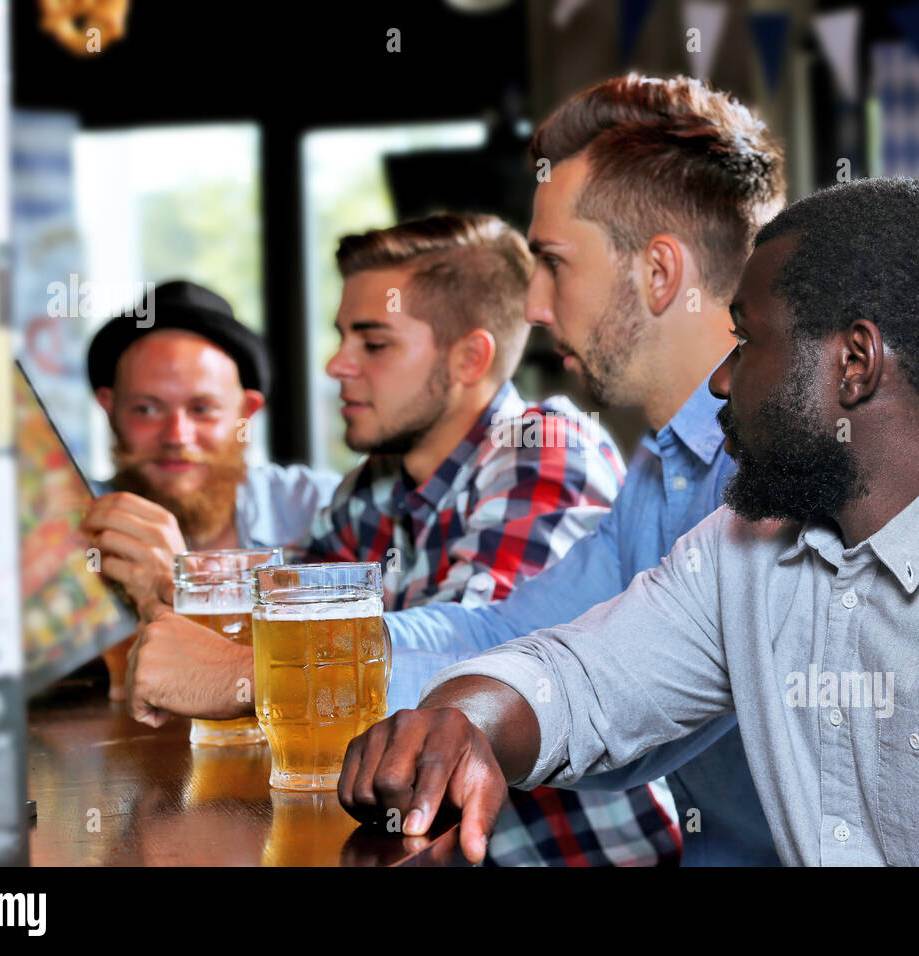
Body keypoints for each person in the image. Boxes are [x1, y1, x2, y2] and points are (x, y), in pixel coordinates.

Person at [336, 177, 919, 866]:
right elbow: (583, 680)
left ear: (852, 363)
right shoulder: (747, 547)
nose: (719, 382)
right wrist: (466, 719)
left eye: (745, 341)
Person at [128, 72, 788, 866]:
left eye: (552, 262)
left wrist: (257, 675)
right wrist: (273, 659)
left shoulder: (772, 477)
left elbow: (603, 694)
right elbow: (506, 630)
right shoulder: (663, 471)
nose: (535, 307)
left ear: (658, 274)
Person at [130, 214, 681, 866]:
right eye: (341, 338)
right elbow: (273, 627)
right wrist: (177, 586)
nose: (337, 364)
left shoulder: (544, 450)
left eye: (375, 343)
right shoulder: (373, 487)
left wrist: (254, 674)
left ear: (469, 357)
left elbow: (477, 677)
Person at [80, 280, 341, 694]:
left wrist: (177, 589)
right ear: (109, 408)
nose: (177, 435)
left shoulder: (325, 509)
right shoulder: (67, 527)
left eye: (202, 409)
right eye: (147, 409)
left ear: (246, 411)